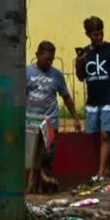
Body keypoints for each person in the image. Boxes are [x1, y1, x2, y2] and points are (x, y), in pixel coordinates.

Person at [75, 16, 110, 181]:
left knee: (106, 135)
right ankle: (105, 168)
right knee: (94, 134)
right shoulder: (85, 53)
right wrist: (79, 63)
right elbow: (81, 77)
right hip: (93, 99)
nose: (98, 37)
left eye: (100, 33)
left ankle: (100, 172)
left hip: (109, 96)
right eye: (94, 35)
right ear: (88, 35)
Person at [25, 40, 80, 191]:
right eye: (45, 58)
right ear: (37, 55)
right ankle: (31, 185)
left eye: (51, 59)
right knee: (30, 155)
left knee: (48, 154)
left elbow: (66, 97)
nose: (48, 62)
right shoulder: (27, 72)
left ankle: (45, 186)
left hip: (50, 121)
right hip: (30, 121)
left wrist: (75, 117)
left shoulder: (57, 75)